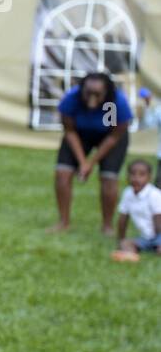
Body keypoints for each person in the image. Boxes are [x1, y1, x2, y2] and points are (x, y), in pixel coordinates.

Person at [50, 72, 131, 234]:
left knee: (108, 177)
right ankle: (63, 222)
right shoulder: (72, 99)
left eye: (97, 94)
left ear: (106, 92)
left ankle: (107, 225)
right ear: (82, 89)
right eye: (88, 93)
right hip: (79, 134)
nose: (92, 98)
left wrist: (91, 163)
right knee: (62, 173)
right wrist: (82, 162)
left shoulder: (114, 104)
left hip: (108, 137)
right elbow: (70, 131)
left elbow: (113, 137)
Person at [111, 159, 161, 260]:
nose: (136, 178)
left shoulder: (154, 194)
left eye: (142, 174)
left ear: (149, 177)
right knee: (125, 244)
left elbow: (158, 220)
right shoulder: (127, 193)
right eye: (133, 174)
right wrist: (121, 239)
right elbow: (123, 218)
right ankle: (132, 255)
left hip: (159, 235)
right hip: (145, 237)